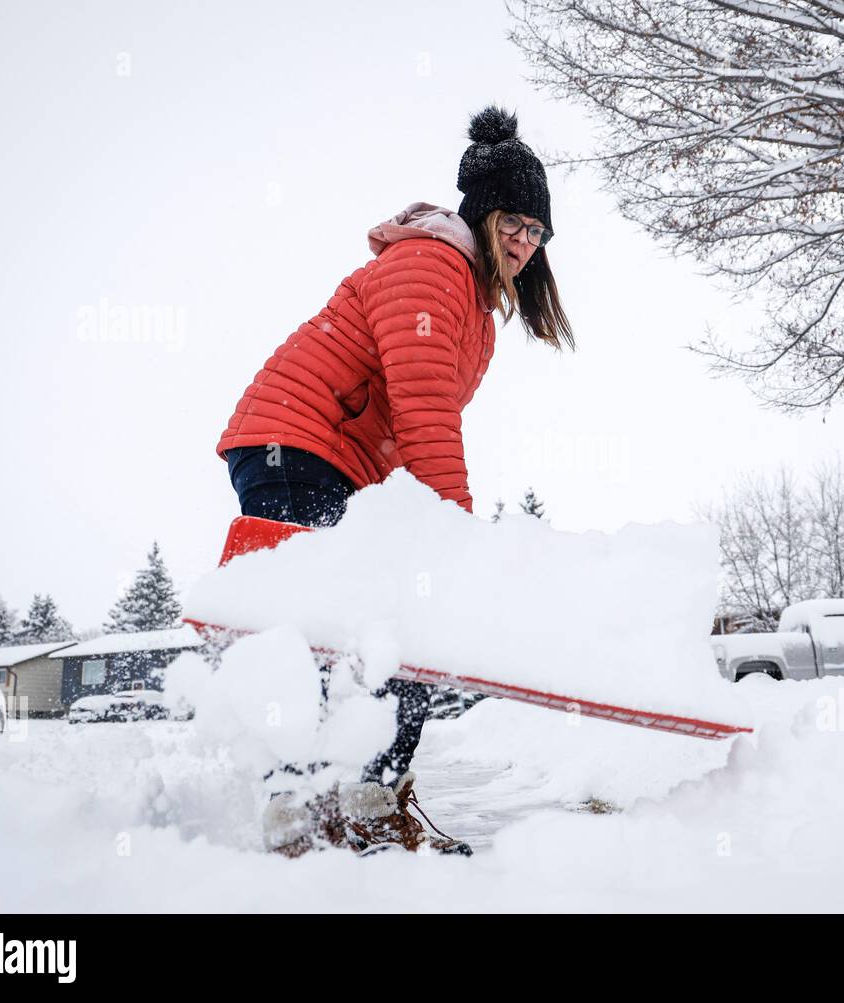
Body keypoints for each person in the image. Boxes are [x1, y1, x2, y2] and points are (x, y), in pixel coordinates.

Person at [214, 105, 575, 857]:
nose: (525, 241)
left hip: (329, 455)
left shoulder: (469, 291)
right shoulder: (433, 265)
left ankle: (365, 797)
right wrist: (455, 536)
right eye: (514, 222)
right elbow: (425, 413)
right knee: (314, 631)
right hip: (297, 441)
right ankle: (300, 810)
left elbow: (419, 424)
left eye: (537, 232)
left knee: (385, 627)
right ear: (482, 213)